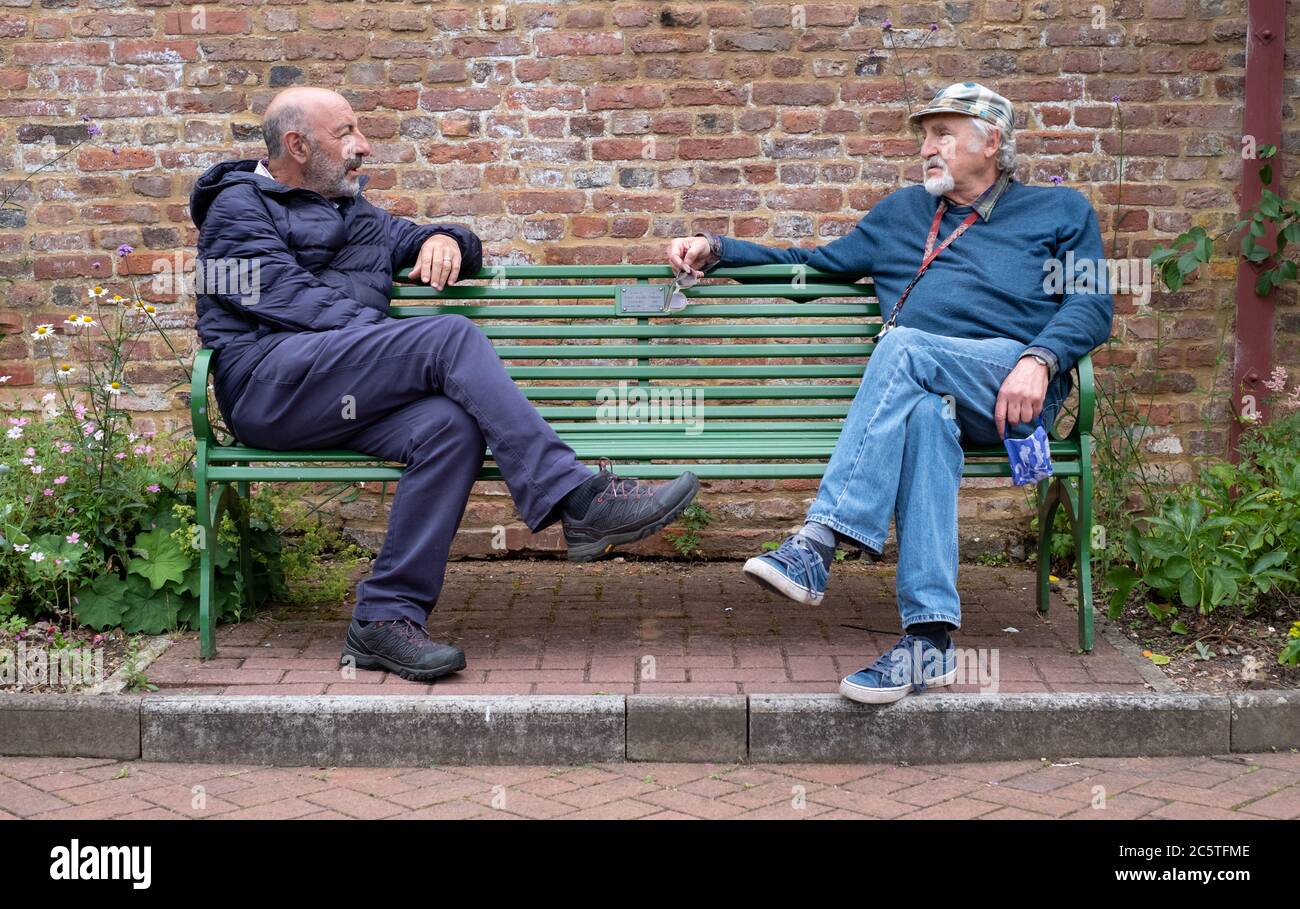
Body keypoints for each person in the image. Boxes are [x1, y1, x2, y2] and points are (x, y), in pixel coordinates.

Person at [191, 87, 699, 681]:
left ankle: (382, 620)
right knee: (446, 338)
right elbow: (281, 295)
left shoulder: (355, 214)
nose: (363, 146)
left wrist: (446, 239)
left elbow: (450, 242)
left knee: (449, 427)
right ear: (298, 146)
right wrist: (392, 346)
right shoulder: (237, 208)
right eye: (346, 133)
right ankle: (576, 498)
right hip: (267, 386)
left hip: (335, 390)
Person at [668, 82, 1113, 704]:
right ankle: (928, 642)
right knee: (927, 420)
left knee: (902, 343)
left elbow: (1093, 304)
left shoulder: (1061, 211)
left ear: (991, 141)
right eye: (923, 136)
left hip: (1014, 391)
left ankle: (820, 541)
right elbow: (813, 261)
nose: (927, 148)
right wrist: (718, 248)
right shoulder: (902, 213)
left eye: (943, 134)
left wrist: (1040, 359)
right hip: (938, 395)